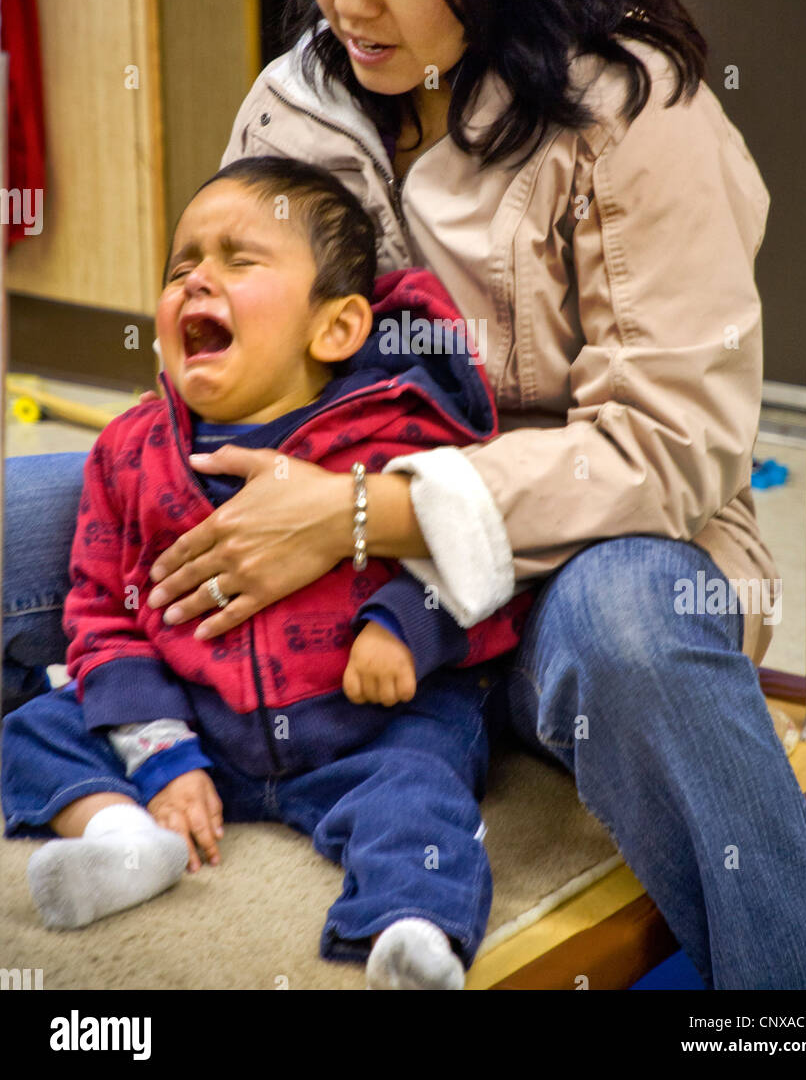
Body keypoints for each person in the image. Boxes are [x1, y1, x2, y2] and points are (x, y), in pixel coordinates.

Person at [3, 0, 806, 989]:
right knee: (24, 516)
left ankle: (790, 996)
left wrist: (371, 512)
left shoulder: (638, 115)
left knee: (637, 619)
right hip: (314, 558)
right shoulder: (300, 97)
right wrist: (185, 472)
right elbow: (226, 351)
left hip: (572, 566)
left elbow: (668, 449)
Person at [1, 154, 533, 990]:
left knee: (421, 795)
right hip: (200, 723)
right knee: (35, 728)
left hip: (364, 732)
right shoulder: (131, 453)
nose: (197, 281)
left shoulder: (394, 438)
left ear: (336, 329)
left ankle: (410, 931)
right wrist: (162, 755)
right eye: (182, 268)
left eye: (238, 262)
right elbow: (101, 612)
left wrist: (402, 625)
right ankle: (122, 840)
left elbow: (484, 566)